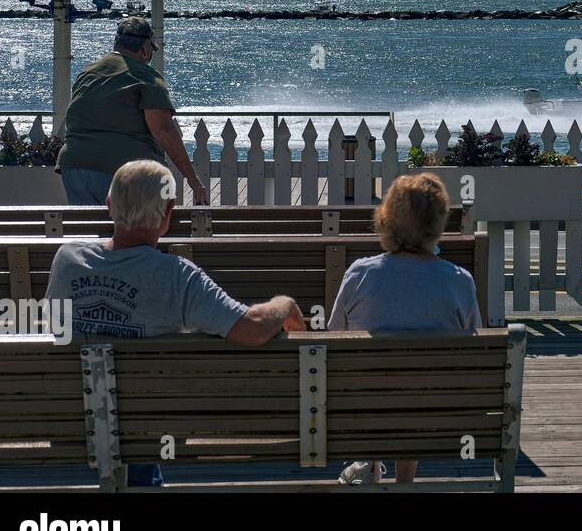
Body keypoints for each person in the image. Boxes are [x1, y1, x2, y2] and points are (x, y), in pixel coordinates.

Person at [43, 160, 305, 486]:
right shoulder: (177, 277)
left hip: (69, 435)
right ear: (168, 212)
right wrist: (286, 305)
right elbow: (252, 329)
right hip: (144, 441)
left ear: (109, 205)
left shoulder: (67, 260)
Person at [329, 172, 481, 485]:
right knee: (418, 385)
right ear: (438, 223)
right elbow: (473, 353)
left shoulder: (360, 274)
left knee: (376, 379)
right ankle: (404, 482)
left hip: (364, 409)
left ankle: (369, 461)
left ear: (386, 218)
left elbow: (334, 337)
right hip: (435, 416)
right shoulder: (459, 281)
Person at [56, 17, 208, 206]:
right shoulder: (145, 76)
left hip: (75, 165)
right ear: (145, 48)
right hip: (123, 169)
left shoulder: (88, 72)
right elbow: (163, 129)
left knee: (90, 227)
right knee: (138, 228)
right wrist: (193, 179)